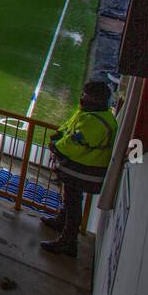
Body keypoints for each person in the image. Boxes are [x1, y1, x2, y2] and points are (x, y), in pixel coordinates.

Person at [42, 80, 119, 257]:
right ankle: (62, 222)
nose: (82, 98)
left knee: (72, 201)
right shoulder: (92, 115)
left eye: (85, 95)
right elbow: (68, 129)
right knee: (70, 199)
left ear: (95, 99)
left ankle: (68, 241)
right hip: (80, 169)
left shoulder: (95, 121)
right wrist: (58, 137)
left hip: (83, 170)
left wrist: (56, 146)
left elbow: (74, 143)